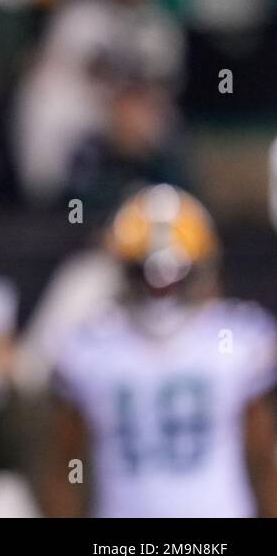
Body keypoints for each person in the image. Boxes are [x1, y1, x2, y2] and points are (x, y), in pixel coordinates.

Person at [43, 185, 277, 517]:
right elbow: (65, 470)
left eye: (172, 279)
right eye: (146, 276)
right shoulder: (89, 351)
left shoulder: (237, 344)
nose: (161, 291)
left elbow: (264, 462)